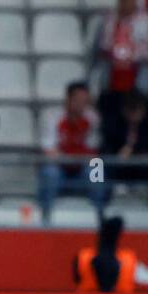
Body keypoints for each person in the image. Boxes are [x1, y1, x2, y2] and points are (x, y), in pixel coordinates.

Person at [38, 81, 106, 219]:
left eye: (85, 101)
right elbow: (49, 150)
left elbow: (93, 151)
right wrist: (72, 156)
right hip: (60, 166)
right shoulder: (52, 116)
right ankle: (45, 215)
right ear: (68, 99)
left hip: (82, 166)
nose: (81, 105)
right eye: (78, 100)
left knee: (97, 167)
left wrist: (72, 155)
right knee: (50, 172)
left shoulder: (93, 118)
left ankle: (100, 214)